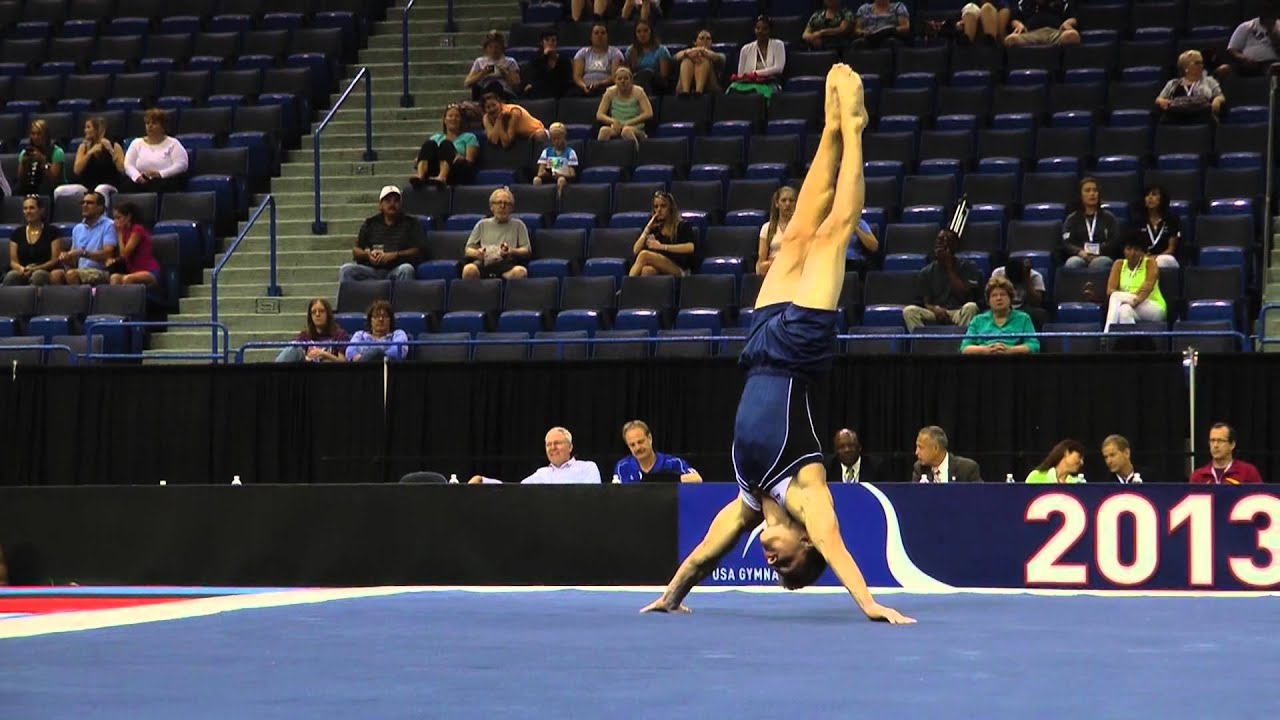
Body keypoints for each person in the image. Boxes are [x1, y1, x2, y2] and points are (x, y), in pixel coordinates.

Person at [642, 66, 914, 624]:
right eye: (788, 565)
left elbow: (701, 556)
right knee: (836, 232)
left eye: (773, 568)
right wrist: (870, 605)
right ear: (805, 544)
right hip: (795, 354)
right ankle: (854, 129)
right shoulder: (809, 494)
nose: (772, 560)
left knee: (795, 235)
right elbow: (839, 551)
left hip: (759, 343)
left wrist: (671, 596)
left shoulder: (747, 503)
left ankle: (829, 132)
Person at [339, 185, 422, 284]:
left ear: (401, 204)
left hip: (397, 269)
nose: (392, 204)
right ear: (380, 205)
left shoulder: (411, 223)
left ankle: (402, 299)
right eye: (388, 201)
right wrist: (368, 255)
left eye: (396, 200)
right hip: (373, 270)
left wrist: (395, 255)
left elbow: (418, 250)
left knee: (407, 269)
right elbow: (356, 250)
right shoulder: (370, 223)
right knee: (346, 270)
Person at [1099, 234, 1166, 334]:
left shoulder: (1150, 263)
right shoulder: (1119, 264)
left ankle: (1107, 333)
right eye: (1129, 249)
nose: (1132, 253)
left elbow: (1147, 288)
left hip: (1153, 306)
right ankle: (1131, 344)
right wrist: (1127, 300)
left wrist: (1133, 300)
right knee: (1123, 311)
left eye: (1136, 250)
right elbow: (1110, 290)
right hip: (1130, 304)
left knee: (1116, 296)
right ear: (1123, 250)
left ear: (1142, 252)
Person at [462, 187, 531, 280]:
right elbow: (468, 250)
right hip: (484, 263)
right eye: (498, 203)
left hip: (507, 265)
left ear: (512, 208)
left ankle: (501, 278)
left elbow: (526, 250)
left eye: (507, 203)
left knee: (520, 272)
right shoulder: (482, 224)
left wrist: (511, 251)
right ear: (491, 207)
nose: (502, 206)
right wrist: (478, 253)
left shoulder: (519, 225)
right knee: (468, 270)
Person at [56, 116, 126, 205]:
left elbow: (122, 169)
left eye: (88, 127)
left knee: (100, 189)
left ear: (97, 130)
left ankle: (102, 217)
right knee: (59, 191)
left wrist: (110, 150)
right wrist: (89, 153)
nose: (85, 130)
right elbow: (77, 170)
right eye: (85, 127)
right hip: (87, 187)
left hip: (109, 186)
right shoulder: (83, 147)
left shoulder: (115, 146)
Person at [960, 276, 1039, 354]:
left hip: (1014, 362)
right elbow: (965, 348)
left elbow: (1034, 346)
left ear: (1010, 298)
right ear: (988, 301)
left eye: (1003, 294)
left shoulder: (1024, 318)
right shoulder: (977, 320)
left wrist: (1010, 350)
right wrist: (985, 350)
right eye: (994, 295)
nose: (999, 298)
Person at [629, 190, 697, 277]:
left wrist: (662, 247)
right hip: (660, 266)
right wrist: (648, 227)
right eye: (656, 207)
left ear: (670, 208)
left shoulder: (681, 225)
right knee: (647, 271)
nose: (659, 210)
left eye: (663, 206)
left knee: (644, 255)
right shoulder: (654, 228)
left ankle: (626, 287)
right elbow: (635, 250)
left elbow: (690, 247)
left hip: (679, 269)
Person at [123, 108, 189, 194]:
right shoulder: (136, 143)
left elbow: (182, 165)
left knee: (160, 187)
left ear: (163, 126)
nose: (150, 126)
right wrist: (137, 176)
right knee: (126, 187)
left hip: (164, 180)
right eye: (147, 123)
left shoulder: (173, 143)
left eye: (154, 123)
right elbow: (128, 165)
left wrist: (160, 174)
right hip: (141, 179)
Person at [411, 105, 479, 188]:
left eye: (457, 116)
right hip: (435, 168)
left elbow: (470, 162)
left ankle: (442, 177)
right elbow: (421, 157)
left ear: (461, 120)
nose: (453, 119)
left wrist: (459, 157)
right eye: (450, 116)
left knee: (446, 144)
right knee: (429, 144)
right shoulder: (436, 137)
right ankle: (420, 177)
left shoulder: (469, 137)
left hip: (456, 170)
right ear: (444, 120)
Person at [613, 420, 702, 483]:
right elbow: (614, 495)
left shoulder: (673, 463)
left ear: (650, 438)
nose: (637, 447)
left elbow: (697, 479)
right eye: (632, 445)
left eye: (640, 442)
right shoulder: (622, 466)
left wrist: (664, 480)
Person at [3, 196, 63, 287]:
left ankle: (34, 300)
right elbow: (13, 261)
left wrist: (35, 269)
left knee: (38, 276)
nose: (28, 211)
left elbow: (54, 259)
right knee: (11, 276)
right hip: (22, 270)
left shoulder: (53, 232)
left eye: (32, 208)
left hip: (45, 270)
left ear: (41, 210)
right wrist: (21, 269)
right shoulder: (17, 233)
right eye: (25, 208)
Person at [1061, 176, 1119, 269]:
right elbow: (1066, 243)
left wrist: (1099, 251)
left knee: (1100, 263)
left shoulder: (1109, 218)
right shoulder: (1072, 219)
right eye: (1087, 191)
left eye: (1095, 190)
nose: (1092, 194)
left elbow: (1114, 241)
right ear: (1080, 195)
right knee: (1072, 263)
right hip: (1080, 256)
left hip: (1102, 255)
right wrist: (1079, 252)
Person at [1157, 50, 1224, 126]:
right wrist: (1161, 101)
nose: (1201, 65)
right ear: (1186, 67)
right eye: (1197, 63)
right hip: (1178, 115)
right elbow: (1159, 99)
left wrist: (1217, 100)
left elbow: (1220, 96)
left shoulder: (1209, 81)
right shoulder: (1173, 83)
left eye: (1202, 63)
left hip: (1201, 114)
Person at [275, 298, 350, 363]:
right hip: (308, 374)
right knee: (293, 349)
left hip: (332, 374)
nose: (317, 314)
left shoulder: (340, 334)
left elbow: (343, 362)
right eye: (314, 312)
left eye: (321, 311)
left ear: (328, 314)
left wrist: (324, 354)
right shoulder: (304, 336)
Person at [106, 201, 160, 287]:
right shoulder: (125, 232)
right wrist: (114, 260)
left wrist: (119, 233)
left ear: (128, 217)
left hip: (149, 271)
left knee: (128, 279)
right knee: (114, 278)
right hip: (133, 272)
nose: (115, 222)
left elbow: (125, 253)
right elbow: (122, 257)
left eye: (118, 218)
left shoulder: (137, 229)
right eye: (114, 218)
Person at [595, 67, 654, 145]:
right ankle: (602, 156)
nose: (623, 81)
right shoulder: (610, 92)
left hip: (635, 127)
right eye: (619, 79)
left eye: (626, 78)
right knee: (603, 131)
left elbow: (648, 113)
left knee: (626, 131)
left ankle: (636, 154)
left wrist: (628, 123)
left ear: (631, 80)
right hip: (617, 127)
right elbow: (599, 115)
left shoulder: (639, 91)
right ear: (615, 81)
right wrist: (613, 121)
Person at [1189, 423, 1263, 484]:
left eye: (1220, 441)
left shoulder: (1248, 472)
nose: (1215, 445)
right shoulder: (1198, 476)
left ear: (1232, 445)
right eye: (1212, 440)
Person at [911, 425, 982, 483]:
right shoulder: (919, 469)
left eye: (921, 447)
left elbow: (980, 496)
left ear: (935, 448)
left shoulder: (966, 469)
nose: (916, 452)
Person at [345, 300, 409, 363]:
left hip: (388, 368)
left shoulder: (398, 334)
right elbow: (350, 352)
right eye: (376, 316)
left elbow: (397, 352)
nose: (381, 319)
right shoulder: (359, 335)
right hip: (361, 369)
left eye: (385, 316)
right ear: (370, 320)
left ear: (390, 320)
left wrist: (378, 356)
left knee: (377, 352)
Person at [464, 30, 521, 101]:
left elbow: (516, 86)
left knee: (496, 85)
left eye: (496, 47)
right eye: (490, 47)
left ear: (502, 47)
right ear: (486, 48)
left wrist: (505, 73)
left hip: (504, 94)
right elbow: (467, 83)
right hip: (484, 93)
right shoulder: (479, 62)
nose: (494, 50)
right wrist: (483, 73)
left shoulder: (510, 62)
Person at [15, 119, 66, 196]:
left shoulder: (57, 152)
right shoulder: (25, 152)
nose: (35, 137)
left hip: (52, 189)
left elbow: (54, 180)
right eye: (33, 134)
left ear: (45, 135)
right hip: (31, 188)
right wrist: (23, 163)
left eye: (39, 134)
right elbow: (20, 178)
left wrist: (43, 161)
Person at [480, 93, 548, 148]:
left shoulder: (514, 112)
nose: (492, 109)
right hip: (520, 138)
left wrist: (499, 121)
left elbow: (507, 143)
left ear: (500, 103)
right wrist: (499, 119)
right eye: (488, 107)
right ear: (484, 110)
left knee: (539, 135)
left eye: (494, 105)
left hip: (536, 131)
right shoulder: (486, 118)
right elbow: (493, 141)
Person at [521, 30, 573, 99]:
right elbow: (535, 77)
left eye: (553, 40)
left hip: (558, 91)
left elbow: (565, 81)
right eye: (547, 40)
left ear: (557, 43)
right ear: (542, 43)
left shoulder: (564, 60)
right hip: (540, 90)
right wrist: (544, 57)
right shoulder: (536, 59)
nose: (550, 43)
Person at [756, 186, 796, 276]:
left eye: (791, 200)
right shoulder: (767, 228)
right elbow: (760, 266)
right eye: (783, 200)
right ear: (777, 203)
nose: (788, 204)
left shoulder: (801, 227)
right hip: (773, 275)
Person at [673, 29, 726, 96]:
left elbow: (719, 58)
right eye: (702, 38)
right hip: (682, 87)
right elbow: (674, 58)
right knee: (686, 60)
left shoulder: (718, 54)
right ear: (695, 42)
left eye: (708, 39)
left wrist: (701, 51)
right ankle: (685, 92)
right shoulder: (687, 52)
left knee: (704, 60)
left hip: (711, 86)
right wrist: (687, 53)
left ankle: (698, 92)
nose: (705, 41)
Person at [533, 122, 579, 195]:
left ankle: (559, 201)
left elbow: (572, 175)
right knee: (536, 180)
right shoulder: (546, 152)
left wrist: (561, 175)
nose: (557, 141)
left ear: (564, 138)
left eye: (559, 138)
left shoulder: (570, 152)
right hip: (549, 178)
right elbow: (540, 172)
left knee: (561, 180)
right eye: (554, 139)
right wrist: (546, 174)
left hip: (564, 178)